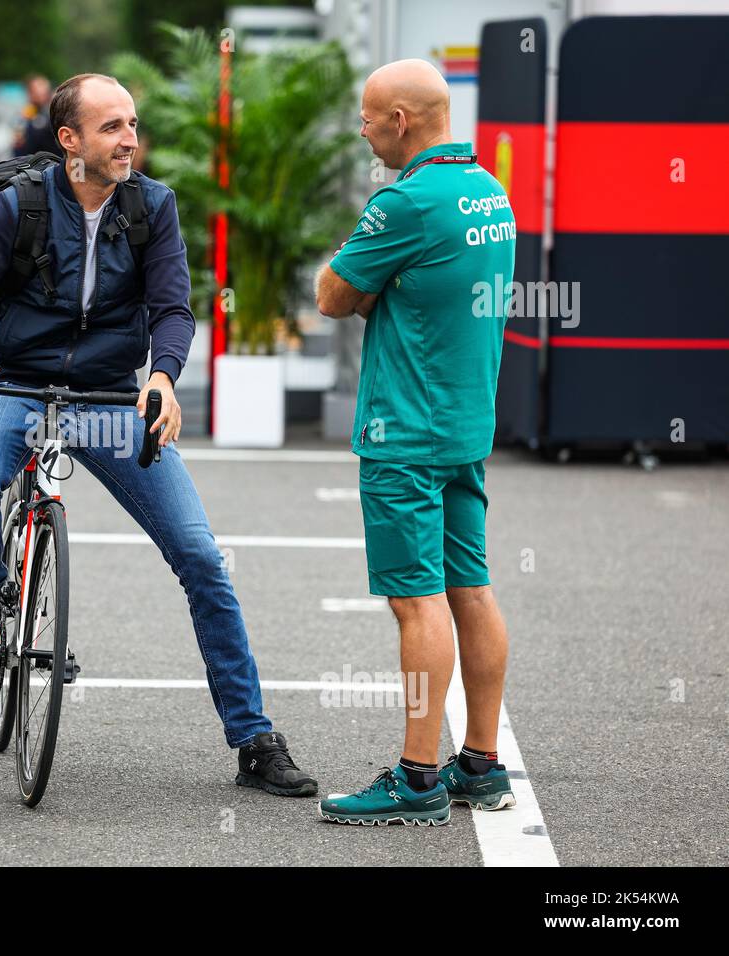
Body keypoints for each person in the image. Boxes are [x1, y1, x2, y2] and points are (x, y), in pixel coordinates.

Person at [0, 73, 316, 798]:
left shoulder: (153, 207)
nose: (130, 138)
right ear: (68, 140)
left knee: (201, 555)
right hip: (21, 387)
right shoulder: (22, 206)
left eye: (132, 124)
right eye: (111, 127)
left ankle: (255, 739)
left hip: (110, 398)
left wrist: (163, 376)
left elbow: (172, 309)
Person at [314, 59, 517, 826]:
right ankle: (480, 763)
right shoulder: (489, 194)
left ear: (401, 121)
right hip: (465, 424)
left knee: (415, 602)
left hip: (404, 430)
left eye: (369, 117)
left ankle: (418, 777)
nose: (362, 129)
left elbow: (334, 296)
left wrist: (374, 281)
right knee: (470, 586)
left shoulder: (404, 203)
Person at [13, 74, 61, 158]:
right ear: (30, 93)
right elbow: (19, 147)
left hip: (56, 159)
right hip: (33, 162)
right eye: (38, 87)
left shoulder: (56, 110)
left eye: (44, 87)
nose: (41, 91)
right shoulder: (25, 115)